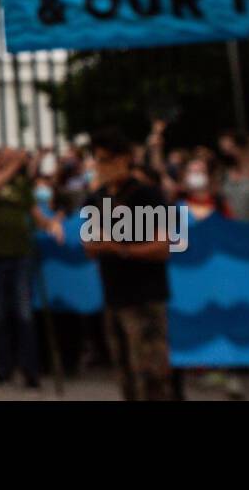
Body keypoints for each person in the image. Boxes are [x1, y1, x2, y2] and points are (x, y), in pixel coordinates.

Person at [84, 128, 173, 401]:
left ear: (124, 159)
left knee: (151, 374)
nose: (102, 166)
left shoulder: (146, 195)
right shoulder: (96, 199)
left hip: (144, 296)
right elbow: (90, 245)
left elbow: (163, 246)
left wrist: (121, 249)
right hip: (114, 296)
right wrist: (97, 245)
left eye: (107, 159)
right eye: (98, 160)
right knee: (124, 372)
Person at [0, 147, 45, 387]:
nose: (12, 160)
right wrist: (15, 166)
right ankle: (1, 367)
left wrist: (50, 224)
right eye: (7, 157)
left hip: (20, 254)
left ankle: (29, 369)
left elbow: (34, 211)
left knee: (23, 314)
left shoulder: (21, 184)